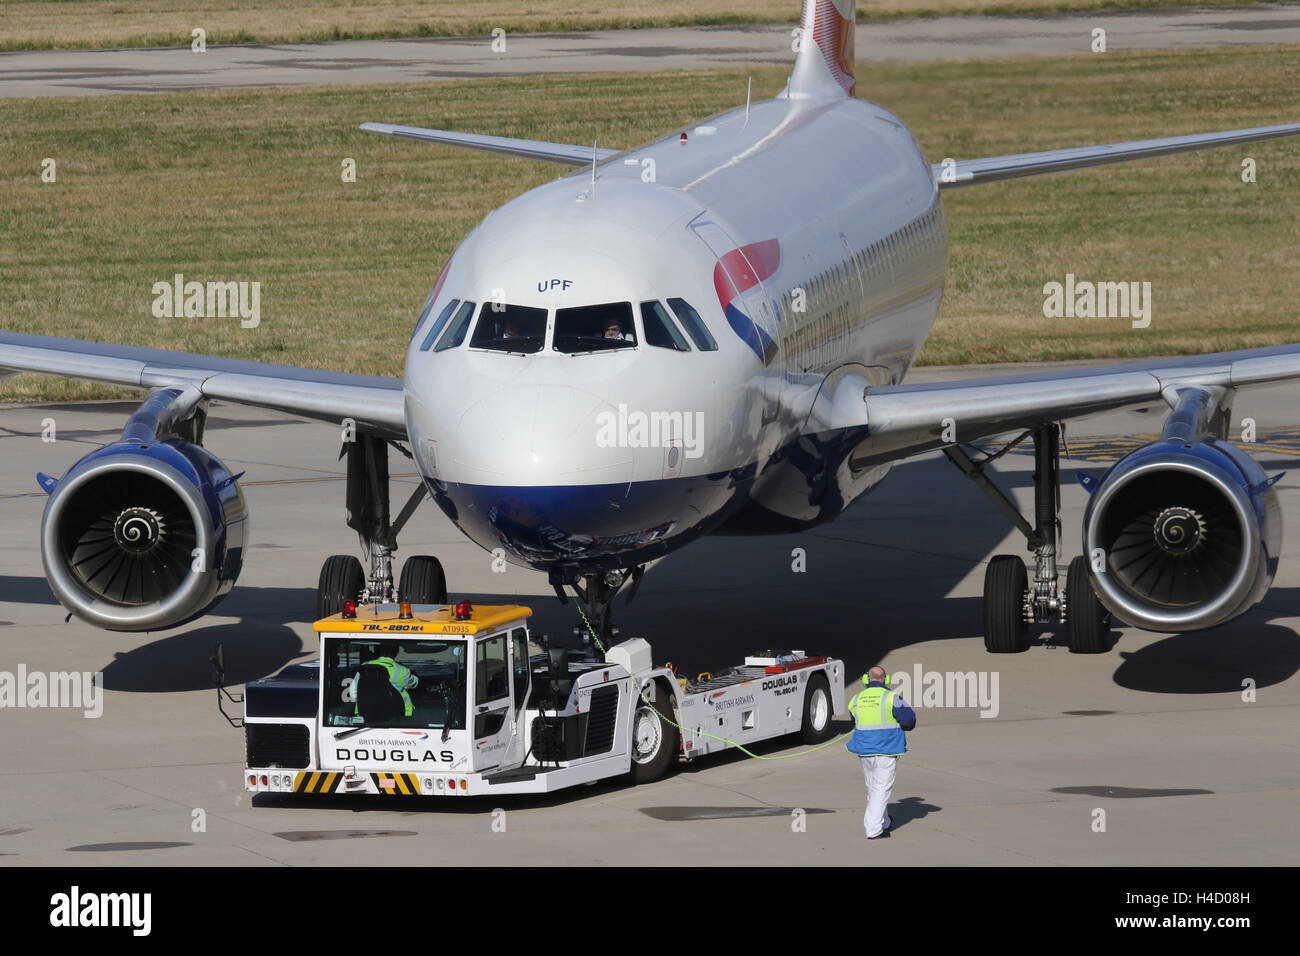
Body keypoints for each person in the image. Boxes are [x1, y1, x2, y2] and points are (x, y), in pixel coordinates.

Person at [847, 665, 916, 839]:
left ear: (866, 679)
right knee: (880, 789)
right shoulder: (892, 697)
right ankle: (873, 829)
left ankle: (884, 821)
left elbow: (853, 718)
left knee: (873, 788)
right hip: (886, 749)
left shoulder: (856, 699)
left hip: (864, 751)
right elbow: (909, 720)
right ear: (885, 679)